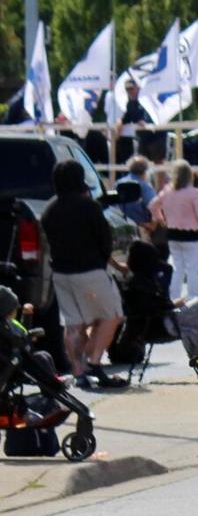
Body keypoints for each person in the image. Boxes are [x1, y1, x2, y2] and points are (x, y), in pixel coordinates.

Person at [39, 160, 126, 389]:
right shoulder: (89, 206)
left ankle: (78, 372)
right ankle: (94, 362)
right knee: (112, 314)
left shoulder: (49, 210)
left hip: (61, 273)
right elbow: (104, 241)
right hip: (90, 271)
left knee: (73, 324)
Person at [153, 161, 198, 303]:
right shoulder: (194, 193)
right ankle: (192, 298)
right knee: (192, 268)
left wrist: (161, 219)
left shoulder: (167, 191)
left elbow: (153, 205)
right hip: (192, 235)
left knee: (177, 268)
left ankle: (174, 297)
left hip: (173, 234)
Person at [116, 155, 156, 236]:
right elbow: (154, 206)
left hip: (120, 224)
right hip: (141, 228)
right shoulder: (144, 186)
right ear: (145, 171)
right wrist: (153, 225)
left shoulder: (118, 183)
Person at [115, 78, 151, 164]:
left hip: (151, 136)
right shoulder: (130, 103)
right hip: (140, 137)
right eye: (127, 89)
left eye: (131, 89)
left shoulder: (146, 99)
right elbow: (127, 118)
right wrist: (120, 122)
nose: (129, 91)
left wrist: (143, 121)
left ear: (138, 88)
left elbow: (148, 115)